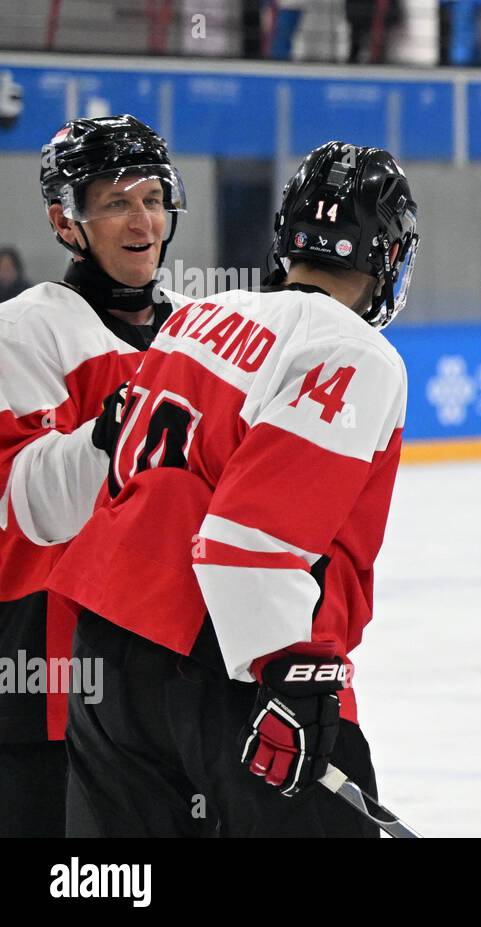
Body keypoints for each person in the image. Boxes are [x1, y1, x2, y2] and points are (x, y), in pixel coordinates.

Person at [47, 140, 418, 837]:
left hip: (105, 647)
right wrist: (292, 678)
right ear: (387, 254)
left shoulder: (194, 317)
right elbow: (246, 542)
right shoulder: (351, 351)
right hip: (230, 660)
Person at [0, 114, 186, 837]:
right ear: (65, 220)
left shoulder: (195, 330)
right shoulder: (27, 328)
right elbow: (28, 504)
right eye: (115, 201)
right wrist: (115, 429)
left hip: (160, 687)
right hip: (44, 686)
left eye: (152, 198)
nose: (142, 219)